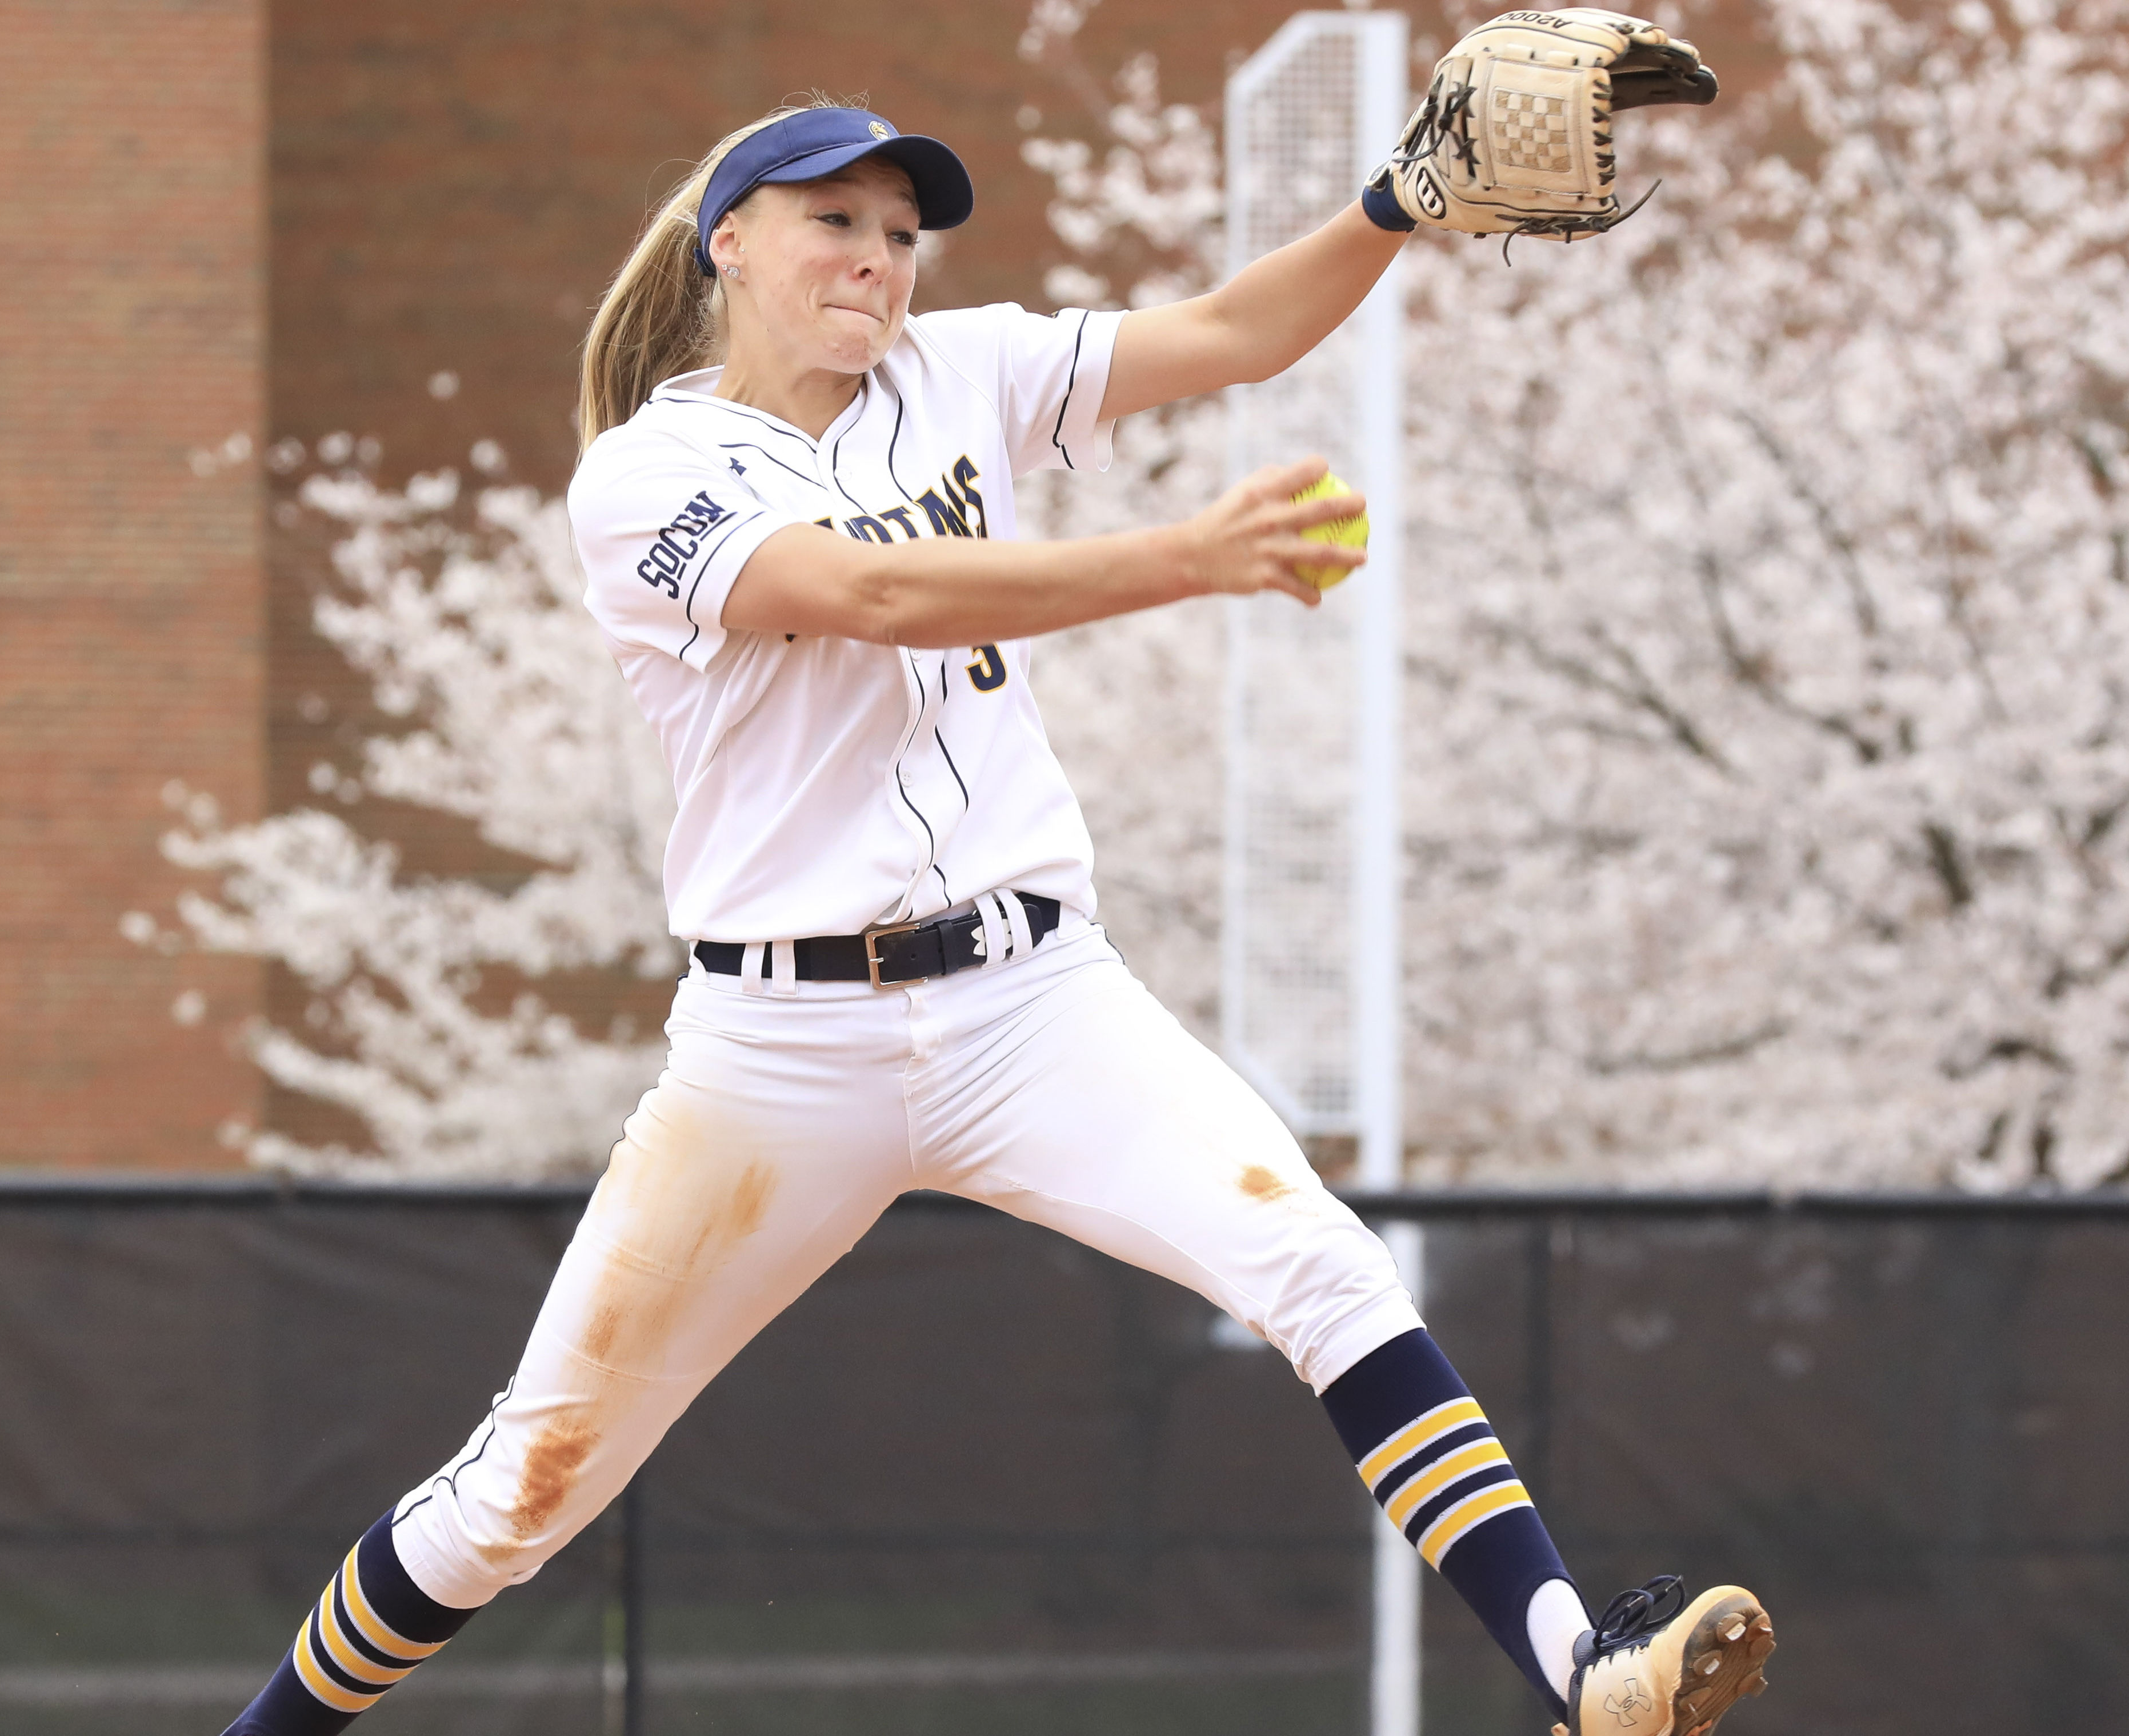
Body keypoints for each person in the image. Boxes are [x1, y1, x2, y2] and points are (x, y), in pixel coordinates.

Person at [221, 100, 1774, 1736]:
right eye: (837, 221)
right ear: (727, 241)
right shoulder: (646, 475)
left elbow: (1239, 330)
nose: (879, 258)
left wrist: (1393, 202)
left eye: (902, 232)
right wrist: (1185, 558)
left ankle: (1581, 1672)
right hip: (780, 1046)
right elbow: (868, 595)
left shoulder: (960, 372)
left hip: (1035, 1002)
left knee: (1321, 1267)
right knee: (523, 1490)